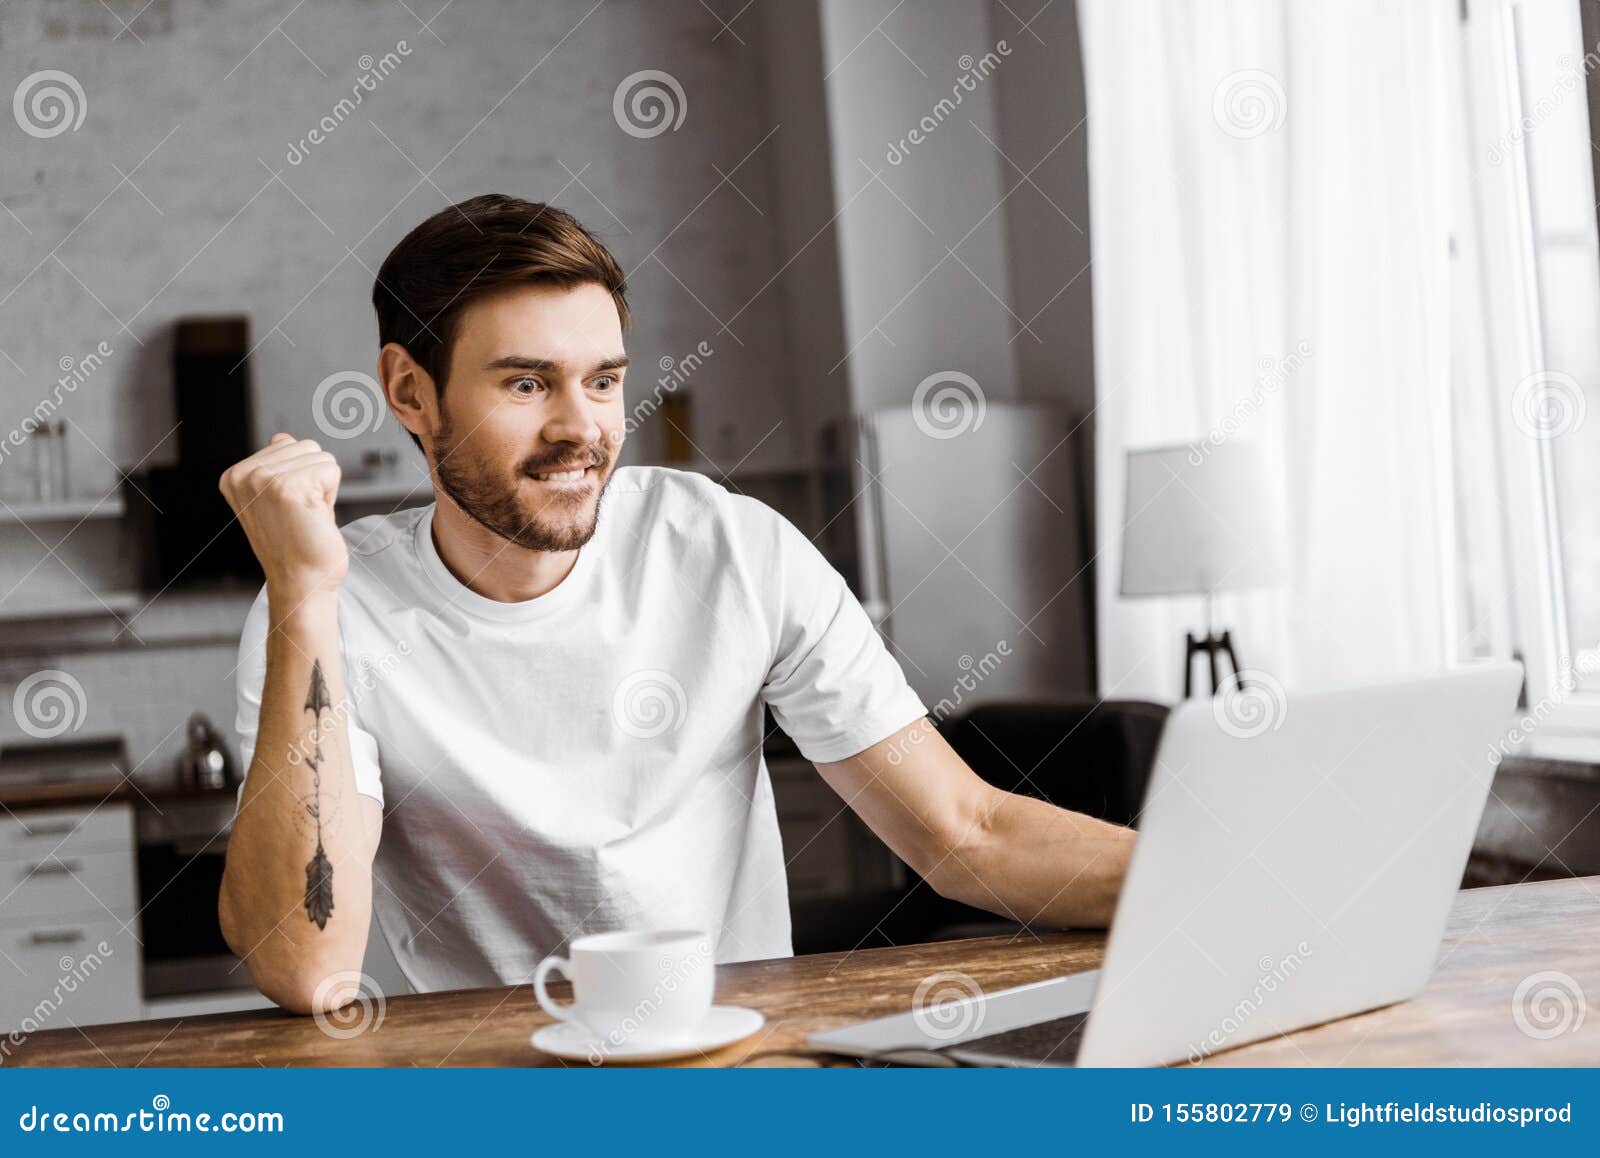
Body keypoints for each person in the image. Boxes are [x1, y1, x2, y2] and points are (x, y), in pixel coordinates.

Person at [218, 194, 1134, 1013]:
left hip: (735, 1075)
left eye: (604, 380)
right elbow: (307, 966)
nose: (582, 427)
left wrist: (1219, 881)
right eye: (527, 383)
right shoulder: (333, 607)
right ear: (410, 391)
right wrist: (302, 594)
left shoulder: (735, 549)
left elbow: (964, 831)